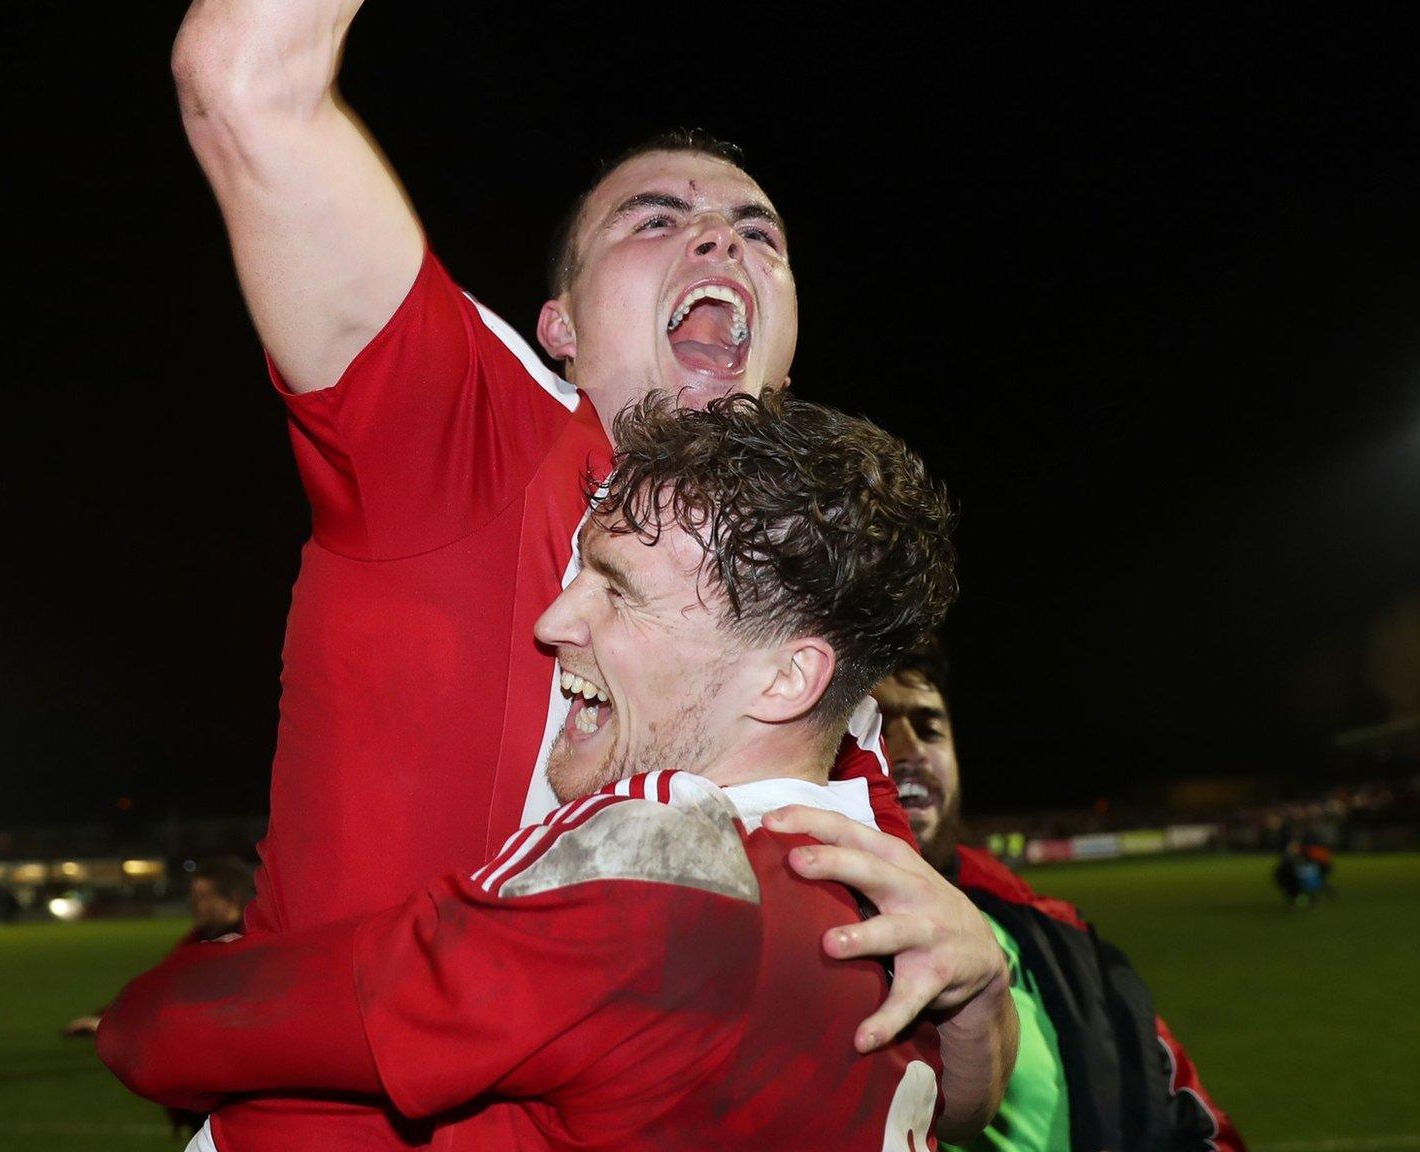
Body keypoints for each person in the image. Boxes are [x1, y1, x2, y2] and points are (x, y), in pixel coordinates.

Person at [169, 1, 1010, 1143]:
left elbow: (938, 1098)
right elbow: (245, 80)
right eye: (655, 219)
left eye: (758, 234)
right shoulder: (464, 434)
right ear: (558, 325)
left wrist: (977, 994)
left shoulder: (816, 656)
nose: (719, 242)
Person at [103, 391, 1009, 1149]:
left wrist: (192, 985)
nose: (554, 620)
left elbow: (159, 1033)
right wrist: (987, 993)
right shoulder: (882, 876)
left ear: (786, 679)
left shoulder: (669, 876)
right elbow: (961, 1105)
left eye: (617, 590)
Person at [870, 645, 1248, 1152]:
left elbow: (1187, 1124)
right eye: (874, 725)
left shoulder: (1062, 938)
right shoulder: (789, 938)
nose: (910, 748)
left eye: (930, 728)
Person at [67, 857, 254, 1139]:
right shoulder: (194, 942)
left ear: (233, 898)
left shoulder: (253, 943)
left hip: (236, 1086)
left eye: (203, 896)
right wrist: (107, 1017)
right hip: (200, 1086)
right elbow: (158, 990)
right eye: (193, 896)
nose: (195, 904)